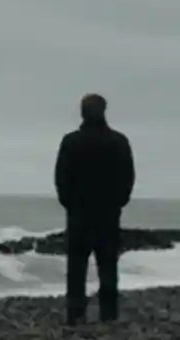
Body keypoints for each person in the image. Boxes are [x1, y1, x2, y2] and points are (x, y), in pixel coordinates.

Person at [54, 93, 135, 325]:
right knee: (108, 264)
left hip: (79, 213)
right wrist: (119, 202)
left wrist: (69, 203)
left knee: (77, 267)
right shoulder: (119, 141)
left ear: (82, 112)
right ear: (104, 111)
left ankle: (75, 314)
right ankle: (109, 314)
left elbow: (61, 177)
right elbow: (128, 177)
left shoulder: (71, 141)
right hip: (108, 213)